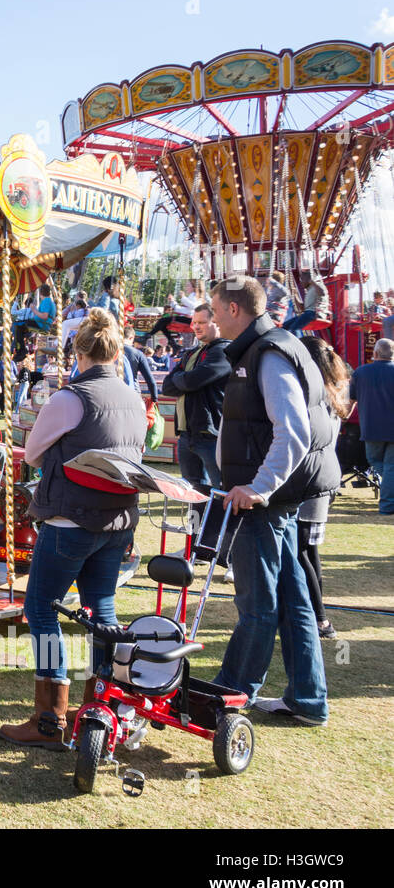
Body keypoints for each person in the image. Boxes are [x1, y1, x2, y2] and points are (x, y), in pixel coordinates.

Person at [0, 308, 145, 750]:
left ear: (79, 353)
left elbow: (34, 454)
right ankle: (99, 708)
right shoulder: (134, 398)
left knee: (43, 609)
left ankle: (50, 718)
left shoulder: (70, 398)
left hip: (70, 520)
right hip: (117, 519)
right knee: (102, 612)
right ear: (116, 352)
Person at [209, 276, 335, 727]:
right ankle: (307, 698)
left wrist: (259, 486)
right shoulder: (269, 346)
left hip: (264, 500)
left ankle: (229, 695)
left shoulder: (268, 353)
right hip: (274, 496)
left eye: (216, 309)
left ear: (236, 310)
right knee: (292, 599)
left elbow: (295, 430)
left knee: (259, 604)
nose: (212, 316)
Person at [163, 304, 232, 540]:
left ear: (216, 323)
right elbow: (168, 385)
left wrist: (184, 379)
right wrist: (186, 379)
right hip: (188, 435)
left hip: (213, 435)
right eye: (194, 322)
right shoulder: (193, 353)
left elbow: (193, 380)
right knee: (193, 494)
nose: (196, 327)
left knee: (223, 493)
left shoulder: (224, 351)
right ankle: (195, 545)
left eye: (201, 322)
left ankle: (227, 550)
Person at [297, 338, 349, 639]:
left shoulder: (316, 396)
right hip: (322, 476)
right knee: (309, 550)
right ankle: (316, 615)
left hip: (311, 479)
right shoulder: (332, 391)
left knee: (302, 550)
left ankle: (319, 618)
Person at [349, 337, 394, 515]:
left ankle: (387, 505)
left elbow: (351, 400)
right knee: (390, 466)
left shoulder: (360, 372)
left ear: (375, 353)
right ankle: (388, 504)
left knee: (377, 462)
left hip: (371, 428)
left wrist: (343, 417)